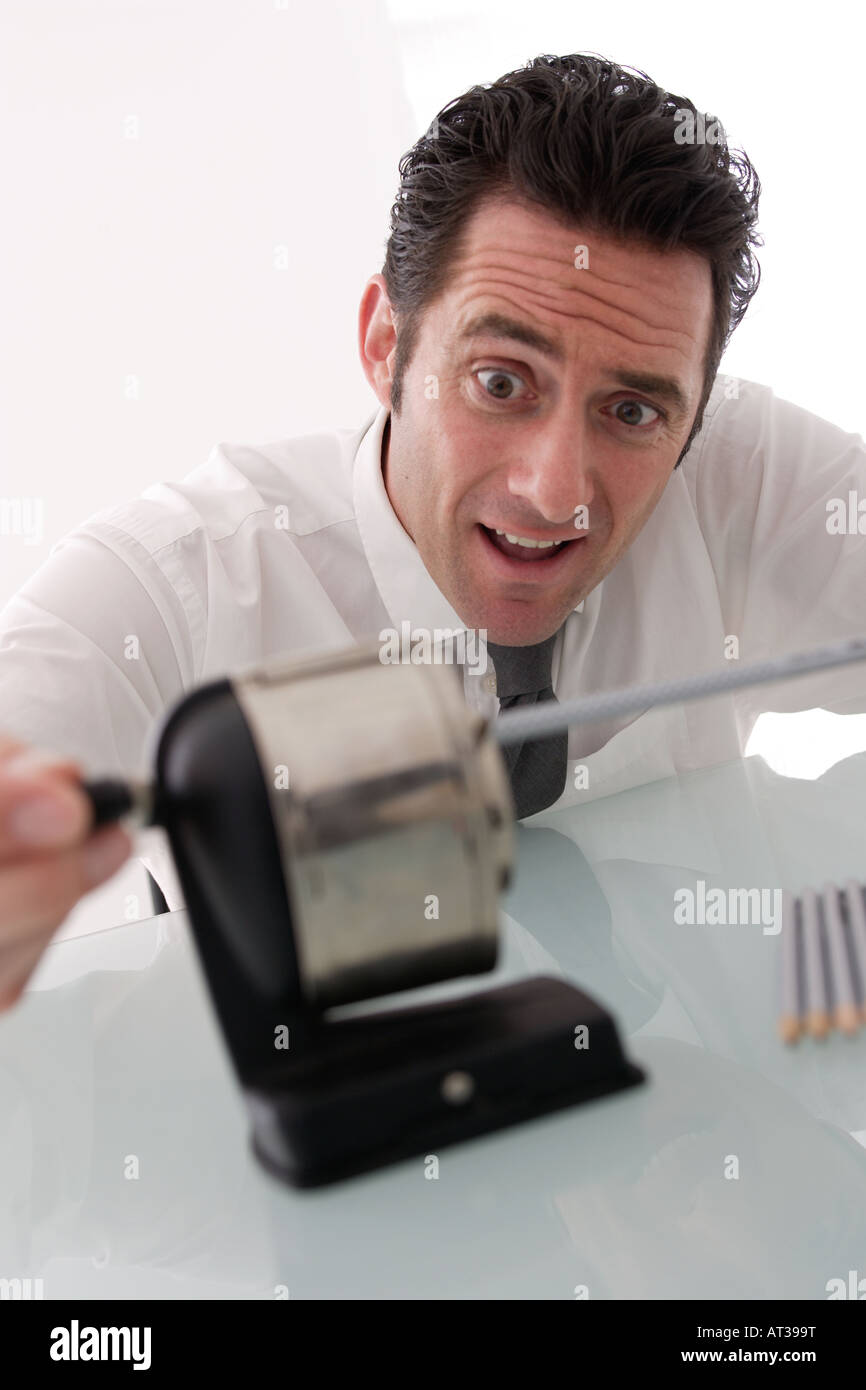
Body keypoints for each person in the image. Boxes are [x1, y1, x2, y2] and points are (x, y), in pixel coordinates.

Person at [0, 53, 864, 1012]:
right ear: (385, 345)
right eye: (501, 382)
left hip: (694, 1117)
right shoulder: (175, 586)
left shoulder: (734, 464)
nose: (553, 489)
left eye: (631, 414)